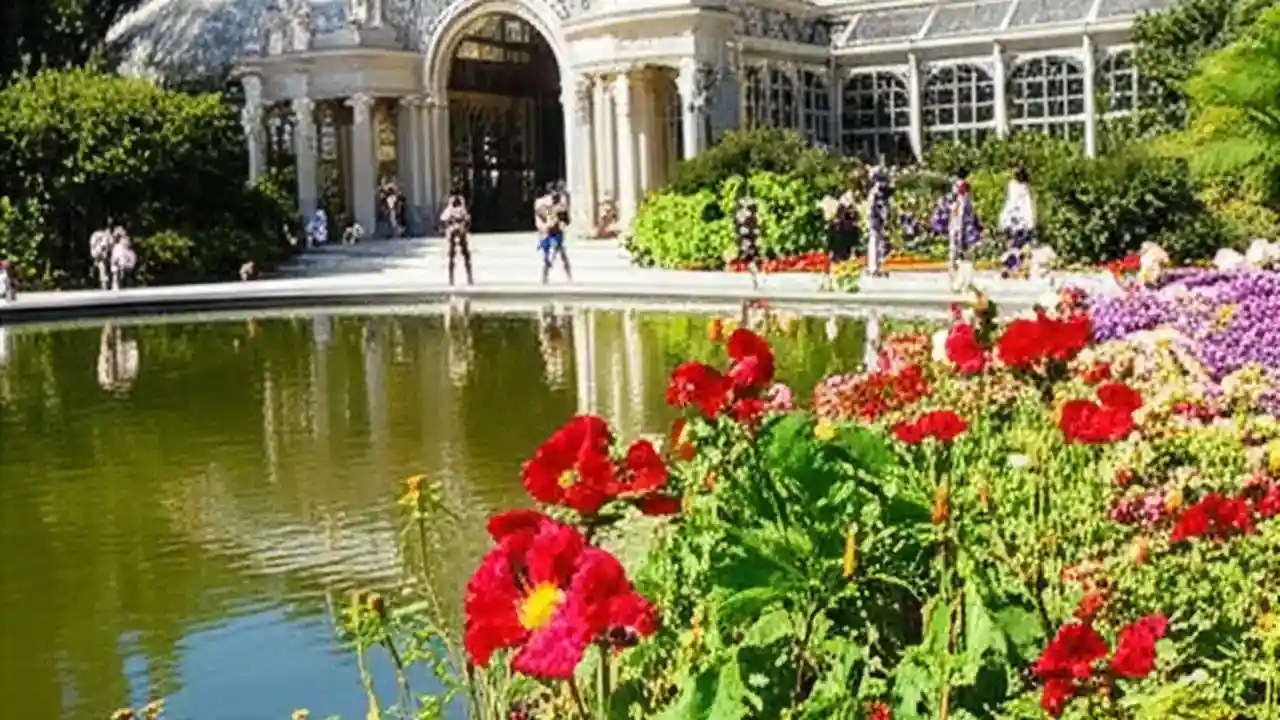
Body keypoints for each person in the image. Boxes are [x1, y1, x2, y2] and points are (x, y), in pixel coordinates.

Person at [998, 165, 1036, 276]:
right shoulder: (1022, 188)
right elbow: (1023, 206)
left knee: (1014, 246)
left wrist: (1004, 220)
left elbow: (1011, 204)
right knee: (1020, 246)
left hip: (1016, 222)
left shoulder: (1015, 187)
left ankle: (1014, 268)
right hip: (1020, 222)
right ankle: (1018, 268)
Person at [534, 183, 572, 284]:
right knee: (549, 256)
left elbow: (566, 219)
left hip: (555, 233)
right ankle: (545, 276)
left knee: (559, 254)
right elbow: (540, 217)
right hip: (547, 233)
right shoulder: (541, 203)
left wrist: (561, 220)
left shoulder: (559, 205)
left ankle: (568, 275)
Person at [947, 177, 981, 274]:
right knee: (955, 248)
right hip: (958, 227)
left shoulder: (966, 200)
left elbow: (971, 214)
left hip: (964, 228)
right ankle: (954, 267)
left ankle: (960, 268)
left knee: (963, 248)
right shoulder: (959, 200)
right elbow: (955, 214)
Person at [440, 189, 473, 285]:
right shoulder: (460, 207)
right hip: (459, 231)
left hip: (452, 232)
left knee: (452, 256)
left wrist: (447, 226)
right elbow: (467, 219)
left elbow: (443, 219)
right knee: (465, 254)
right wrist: (465, 227)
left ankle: (452, 279)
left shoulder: (450, 207)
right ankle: (468, 276)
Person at [865, 164, 892, 277]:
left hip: (877, 219)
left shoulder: (878, 191)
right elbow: (876, 206)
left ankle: (875, 266)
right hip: (876, 219)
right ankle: (874, 267)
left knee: (877, 242)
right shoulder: (877, 191)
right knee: (876, 242)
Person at [734, 197, 762, 289]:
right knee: (748, 260)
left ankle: (755, 278)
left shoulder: (752, 218)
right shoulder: (743, 216)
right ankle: (754, 277)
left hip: (749, 241)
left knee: (750, 259)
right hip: (746, 241)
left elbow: (754, 230)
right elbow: (738, 229)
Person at [90, 222, 115, 290]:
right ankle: (103, 284)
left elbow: (110, 245)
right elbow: (106, 245)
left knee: (103, 269)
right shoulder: (101, 235)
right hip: (101, 254)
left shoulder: (96, 234)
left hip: (102, 254)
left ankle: (104, 283)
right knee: (102, 268)